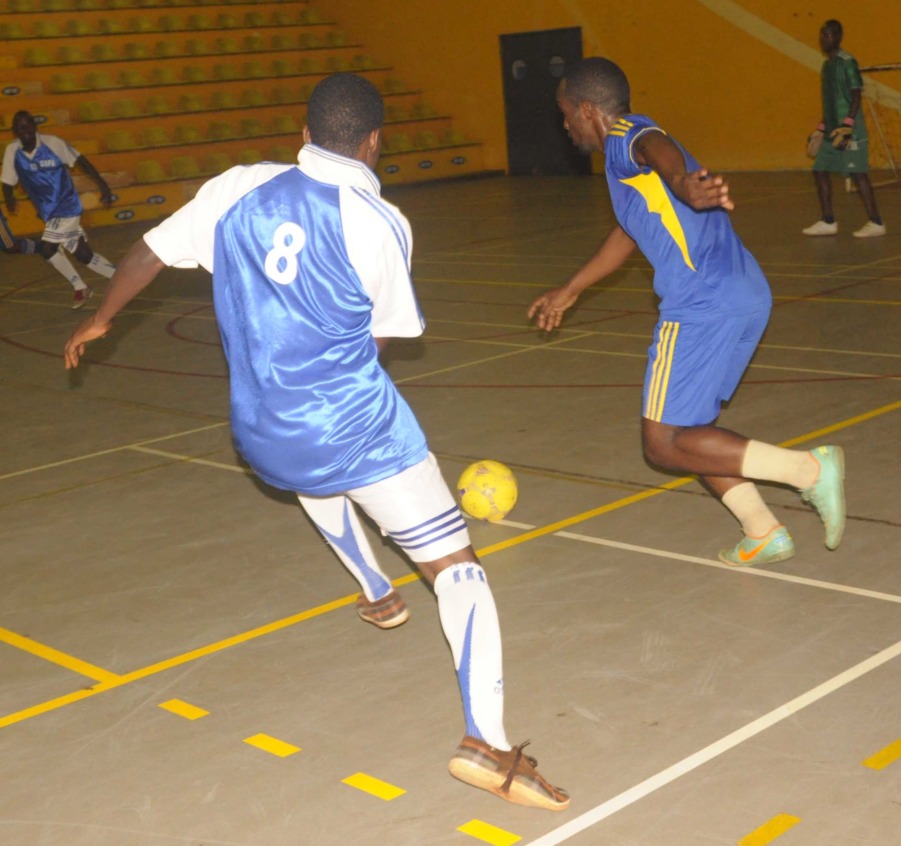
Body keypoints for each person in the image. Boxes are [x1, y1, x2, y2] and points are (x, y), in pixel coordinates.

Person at [64, 73, 569, 812]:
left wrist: (102, 317)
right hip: (355, 428)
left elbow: (145, 253)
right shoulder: (379, 220)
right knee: (459, 571)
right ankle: (487, 743)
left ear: (303, 136)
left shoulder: (236, 185)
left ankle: (374, 590)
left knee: (310, 466)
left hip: (259, 435)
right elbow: (389, 331)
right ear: (373, 142)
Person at [528, 57, 846, 566]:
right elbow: (630, 231)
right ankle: (761, 530)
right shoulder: (626, 174)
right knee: (692, 431)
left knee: (661, 443)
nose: (565, 126)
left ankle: (808, 469)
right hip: (743, 292)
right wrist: (572, 288)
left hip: (702, 301)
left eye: (566, 114)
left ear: (588, 110)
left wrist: (680, 181)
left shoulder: (625, 136)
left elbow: (656, 147)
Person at [2, 110, 116, 308]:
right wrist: (9, 198)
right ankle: (119, 276)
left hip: (67, 206)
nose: (25, 130)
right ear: (15, 132)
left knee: (47, 248)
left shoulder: (53, 143)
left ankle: (80, 287)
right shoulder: (13, 151)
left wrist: (103, 185)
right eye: (20, 128)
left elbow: (81, 161)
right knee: (83, 254)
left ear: (35, 126)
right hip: (49, 212)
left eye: (28, 125)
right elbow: (7, 180)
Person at [802, 19, 885, 238]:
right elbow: (830, 101)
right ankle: (828, 220)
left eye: (828, 35)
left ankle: (876, 222)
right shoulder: (826, 65)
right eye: (822, 35)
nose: (823, 39)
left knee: (858, 174)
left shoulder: (848, 62)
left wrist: (848, 124)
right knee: (819, 170)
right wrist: (821, 128)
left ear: (838, 37)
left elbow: (856, 94)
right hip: (831, 131)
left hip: (850, 129)